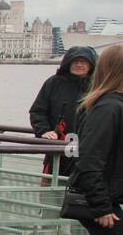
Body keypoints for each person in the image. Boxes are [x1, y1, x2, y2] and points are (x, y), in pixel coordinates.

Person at [69, 43, 123, 235]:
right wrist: (102, 207)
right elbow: (89, 159)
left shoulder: (112, 105)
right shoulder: (108, 107)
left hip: (108, 200)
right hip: (102, 205)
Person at [30, 46, 97, 177]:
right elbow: (37, 111)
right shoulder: (53, 83)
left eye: (83, 61)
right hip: (58, 148)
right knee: (53, 190)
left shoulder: (98, 85)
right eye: (75, 61)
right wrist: (44, 130)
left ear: (91, 64)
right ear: (68, 63)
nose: (79, 64)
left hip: (89, 149)